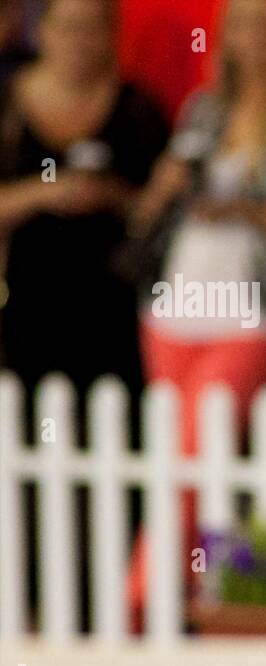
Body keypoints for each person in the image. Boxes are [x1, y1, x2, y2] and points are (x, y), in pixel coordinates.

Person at [125, 0, 266, 631]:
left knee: (194, 456)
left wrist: (247, 210)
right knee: (187, 463)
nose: (252, 38)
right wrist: (166, 185)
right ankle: (197, 611)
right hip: (172, 306)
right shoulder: (203, 110)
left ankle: (136, 604)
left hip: (255, 309)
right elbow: (148, 218)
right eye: (241, 25)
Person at [0, 0, 168, 404]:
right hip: (25, 298)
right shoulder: (7, 104)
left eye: (92, 29)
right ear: (42, 31)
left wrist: (109, 195)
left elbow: (158, 211)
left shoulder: (138, 109)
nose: (79, 42)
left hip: (112, 300)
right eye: (68, 27)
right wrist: (43, 193)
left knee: (111, 411)